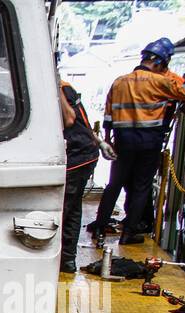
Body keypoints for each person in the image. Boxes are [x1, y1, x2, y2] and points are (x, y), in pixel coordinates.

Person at [90, 38, 185, 246]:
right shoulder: (159, 81)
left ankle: (100, 228)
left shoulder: (119, 81)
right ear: (159, 62)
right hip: (149, 141)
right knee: (142, 186)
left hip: (123, 140)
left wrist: (107, 141)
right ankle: (128, 233)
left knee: (114, 184)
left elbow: (108, 116)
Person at [58, 78, 104, 273]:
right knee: (73, 207)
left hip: (78, 156)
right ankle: (67, 260)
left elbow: (69, 119)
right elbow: (82, 121)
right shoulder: (66, 86)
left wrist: (56, 91)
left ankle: (59, 258)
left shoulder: (59, 87)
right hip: (85, 153)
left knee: (63, 209)